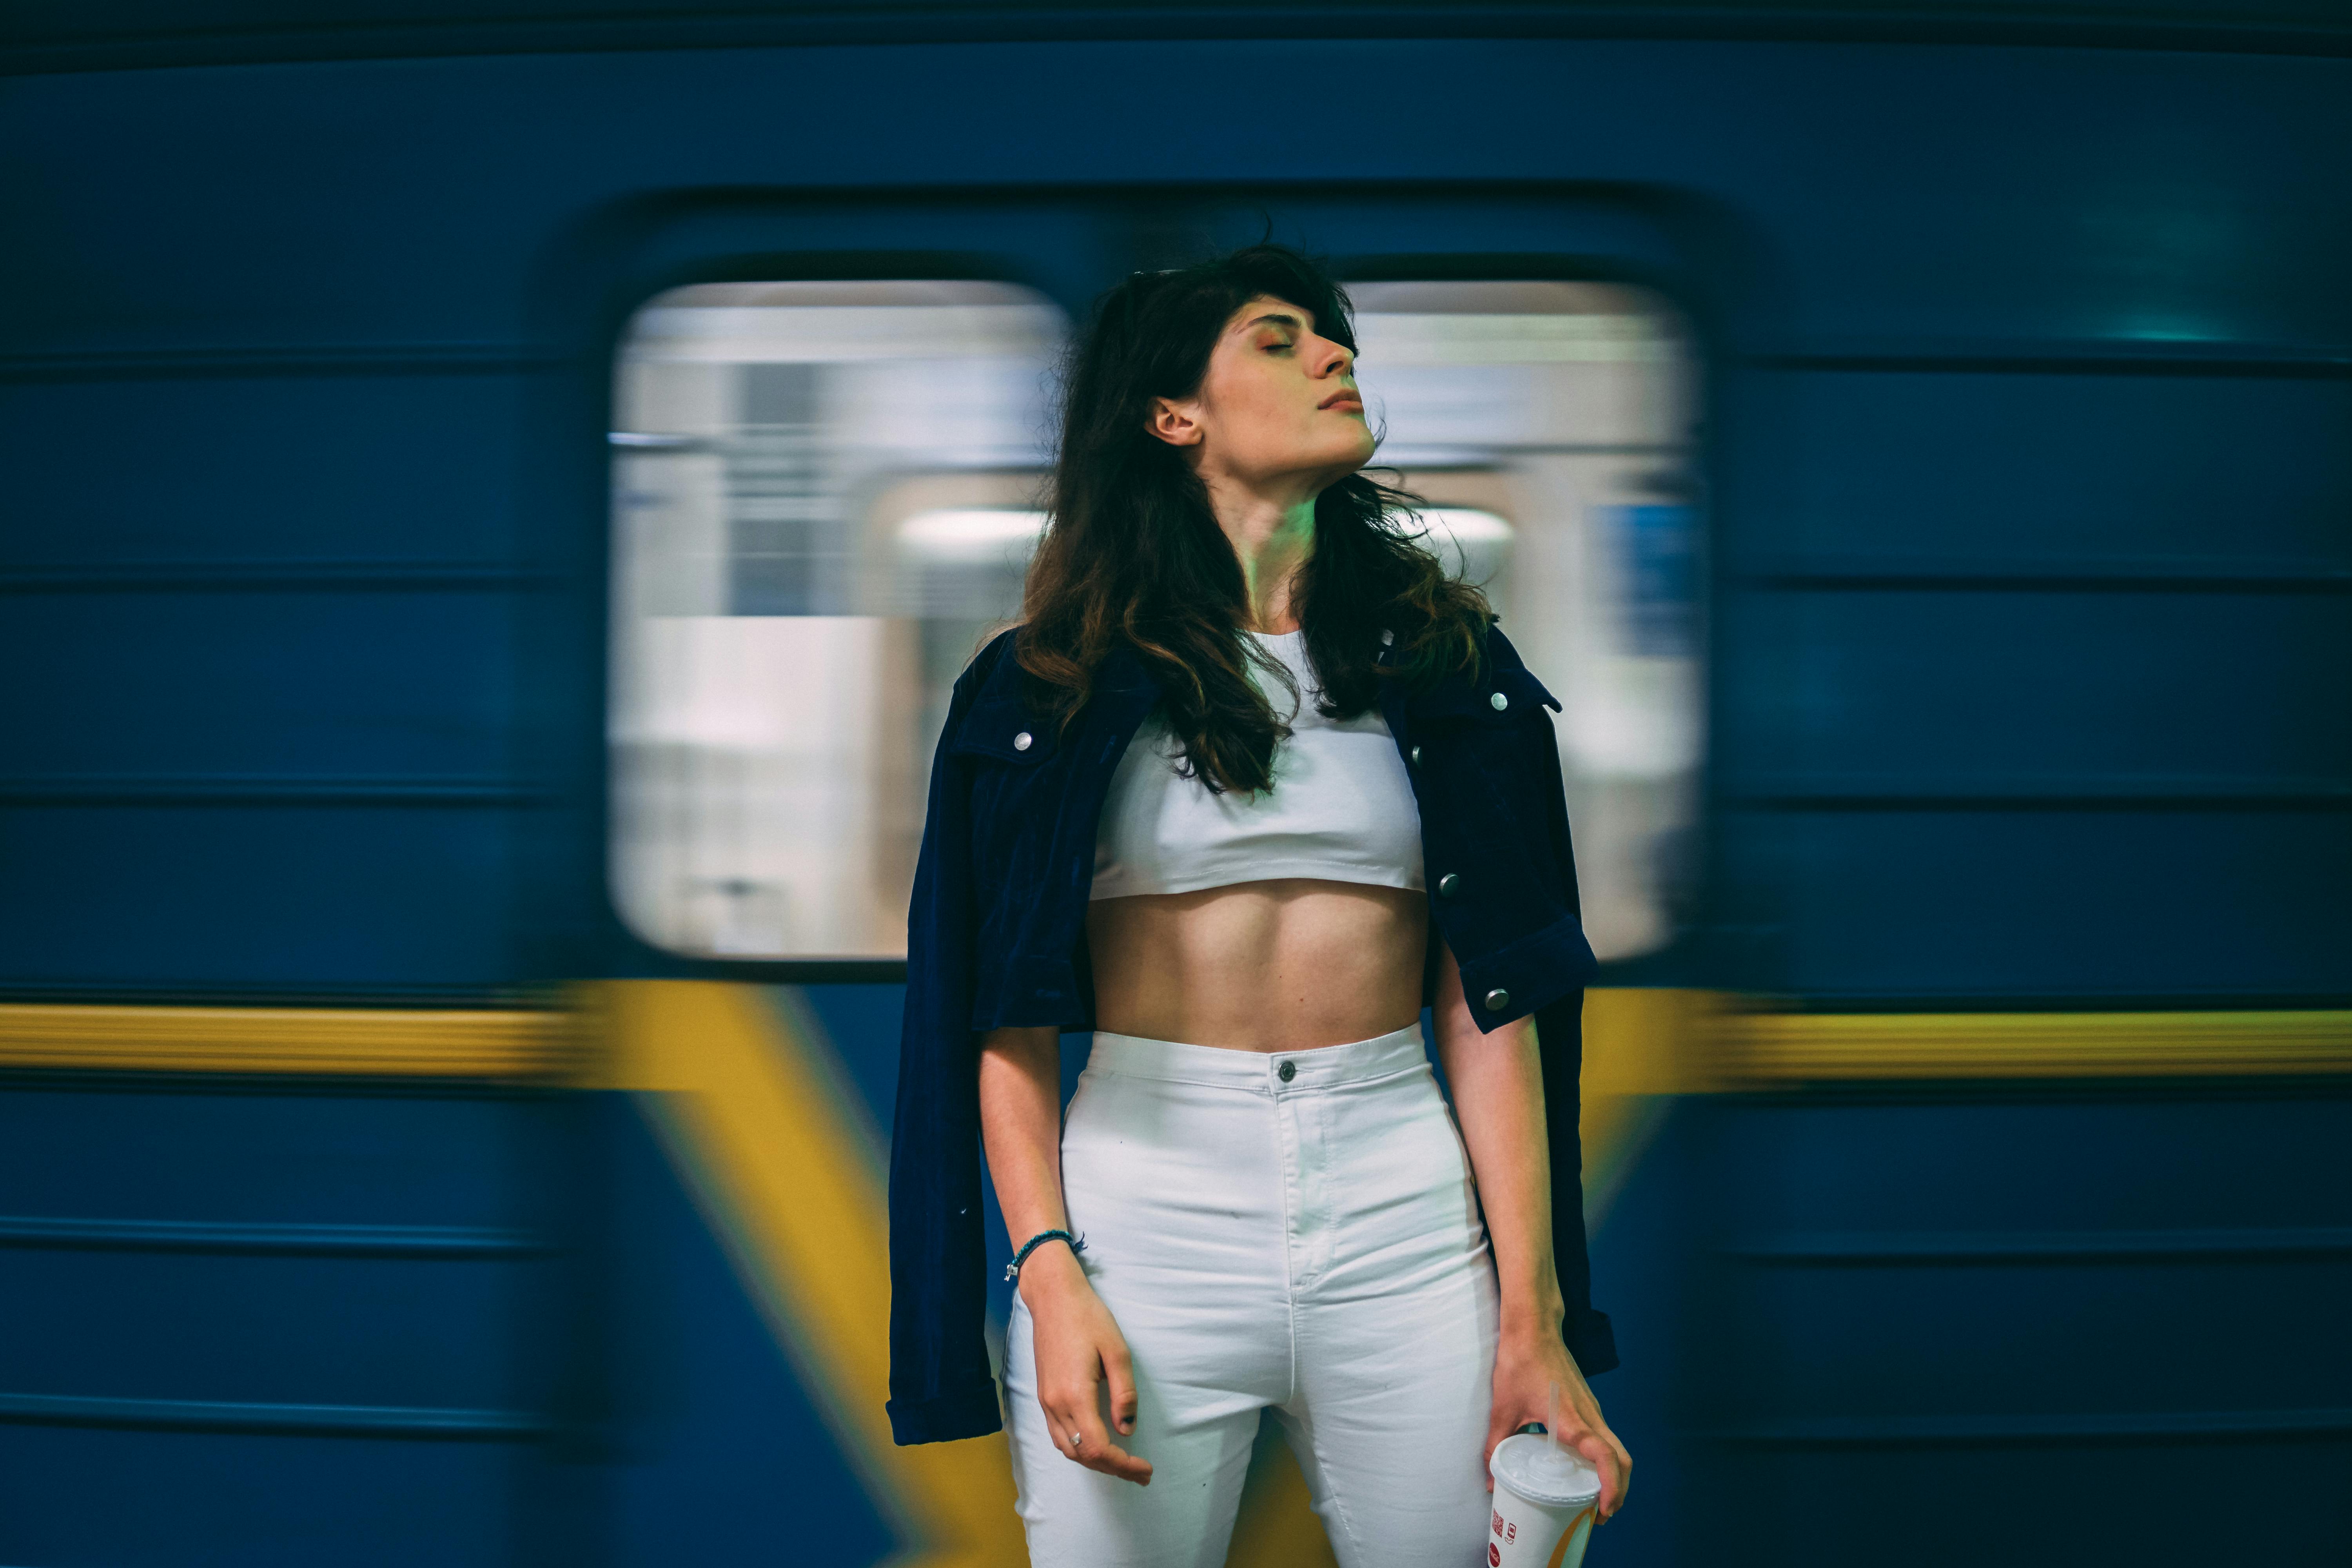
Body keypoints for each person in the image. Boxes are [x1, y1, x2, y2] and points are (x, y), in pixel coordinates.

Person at [886, 245, 1629, 1568]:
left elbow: (1489, 1000)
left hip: (1405, 1193)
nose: (1336, 357)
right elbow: (1001, 1012)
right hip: (1143, 1208)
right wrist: (1048, 1270)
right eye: (1280, 341)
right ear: (1176, 415)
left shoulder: (1453, 667)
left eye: (1334, 339)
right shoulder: (1042, 686)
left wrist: (1534, 1319)